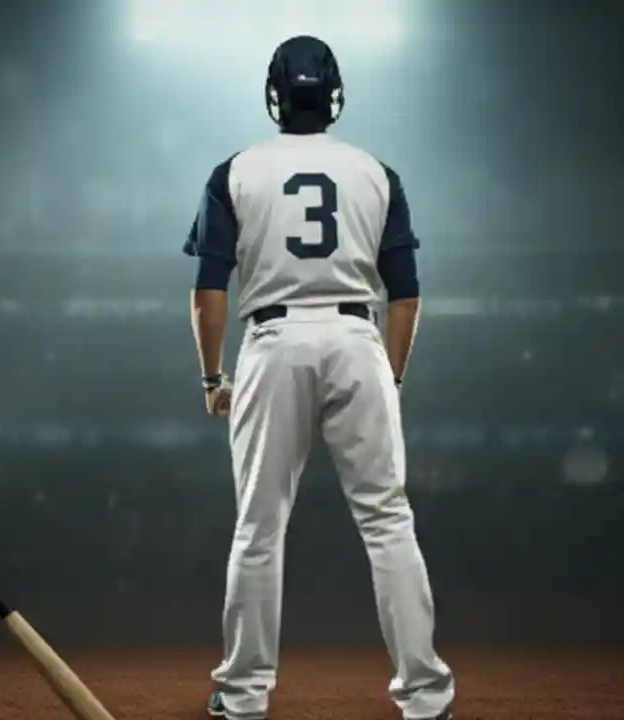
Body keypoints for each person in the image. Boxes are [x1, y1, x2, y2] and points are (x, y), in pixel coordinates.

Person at [183, 35, 455, 720]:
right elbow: (407, 295)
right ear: (335, 94)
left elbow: (208, 290)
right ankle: (425, 697)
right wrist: (387, 380)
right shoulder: (375, 171)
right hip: (356, 334)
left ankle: (243, 697)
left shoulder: (235, 171)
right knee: (388, 520)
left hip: (272, 340)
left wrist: (213, 377)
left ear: (273, 93)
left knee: (258, 526)